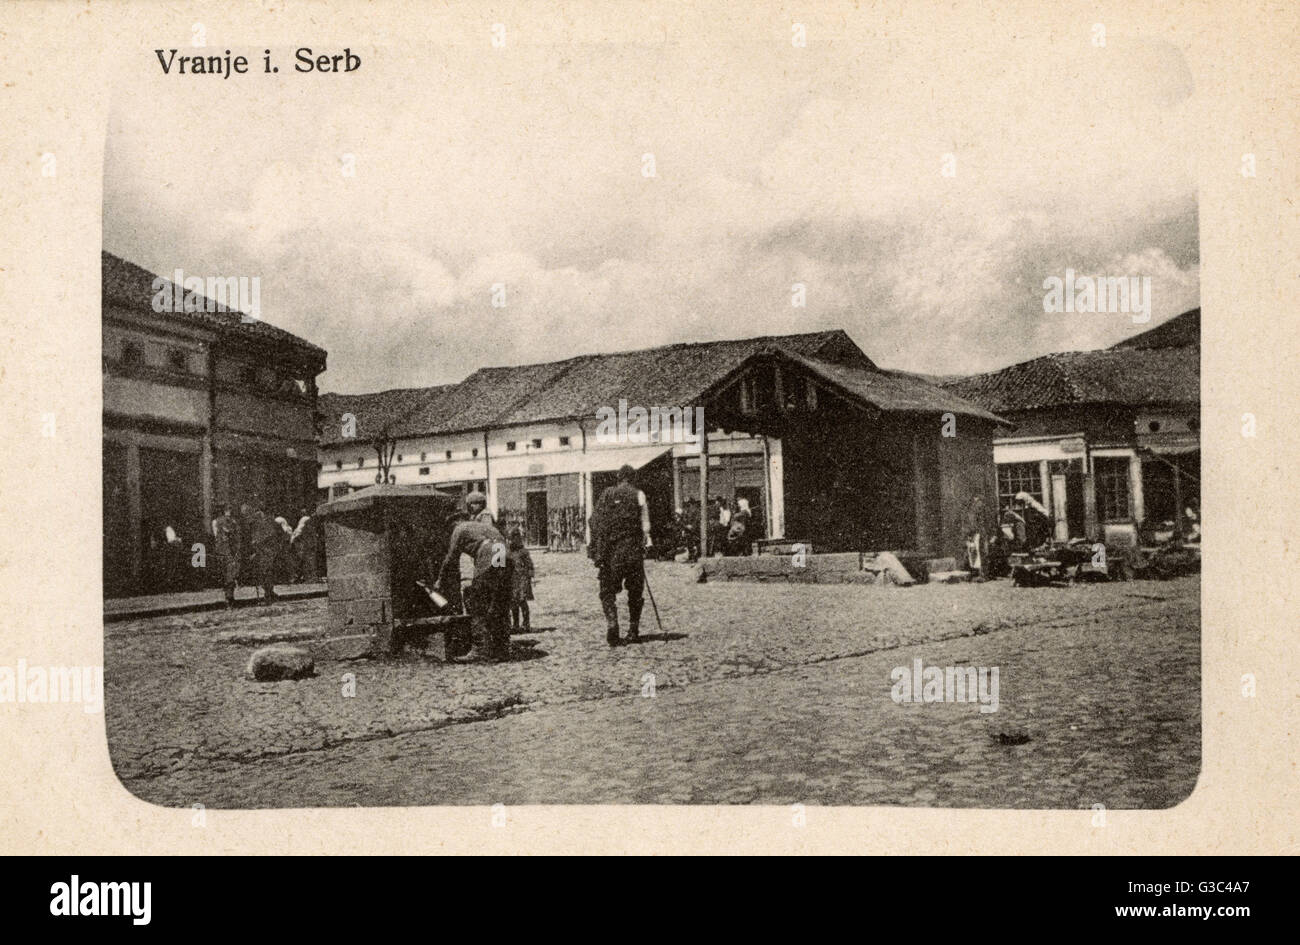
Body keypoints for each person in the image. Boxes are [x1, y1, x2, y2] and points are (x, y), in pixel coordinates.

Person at [434, 491, 510, 662]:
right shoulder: (482, 525)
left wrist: (440, 580)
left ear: (454, 522)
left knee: (476, 601)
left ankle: (480, 649)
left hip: (489, 553)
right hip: (504, 554)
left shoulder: (459, 530)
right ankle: (502, 647)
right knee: (496, 602)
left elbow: (450, 558)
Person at [589, 464, 651, 646]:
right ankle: (633, 630)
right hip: (633, 551)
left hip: (612, 552)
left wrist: (598, 548)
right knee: (635, 591)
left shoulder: (607, 494)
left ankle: (612, 624)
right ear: (632, 478)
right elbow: (646, 526)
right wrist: (642, 543)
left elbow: (594, 521)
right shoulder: (639, 494)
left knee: (607, 590)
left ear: (619, 477)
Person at [240, 501, 280, 604]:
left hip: (265, 551)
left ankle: (268, 596)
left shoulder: (259, 522)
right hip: (264, 551)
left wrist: (255, 548)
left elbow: (261, 538)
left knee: (265, 572)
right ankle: (270, 593)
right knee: (265, 573)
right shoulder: (258, 522)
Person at [212, 505, 242, 608]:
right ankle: (229, 597)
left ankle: (229, 597)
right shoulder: (232, 522)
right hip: (227, 551)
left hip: (224, 551)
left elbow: (215, 536)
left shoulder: (217, 522)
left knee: (228, 574)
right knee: (230, 574)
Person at [506, 527, 535, 633]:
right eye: (511, 538)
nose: (512, 541)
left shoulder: (523, 551)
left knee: (522, 601)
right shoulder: (508, 552)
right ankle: (515, 624)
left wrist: (530, 577)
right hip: (512, 580)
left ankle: (526, 624)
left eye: (514, 538)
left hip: (522, 579)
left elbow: (530, 565)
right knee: (513, 602)